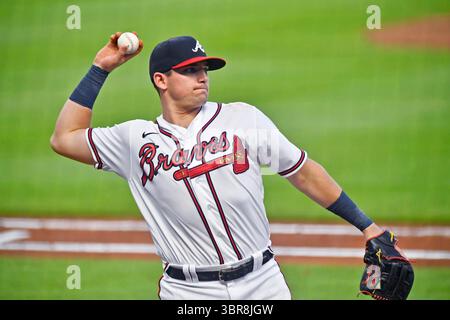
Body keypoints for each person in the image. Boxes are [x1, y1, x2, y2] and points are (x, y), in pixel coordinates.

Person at [50, 32, 400, 300]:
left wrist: (366, 227)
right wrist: (100, 69)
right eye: (189, 71)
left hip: (262, 283)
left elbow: (303, 171)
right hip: (188, 292)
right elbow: (65, 138)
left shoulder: (243, 118)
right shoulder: (133, 140)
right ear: (161, 80)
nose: (202, 76)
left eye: (204, 68)